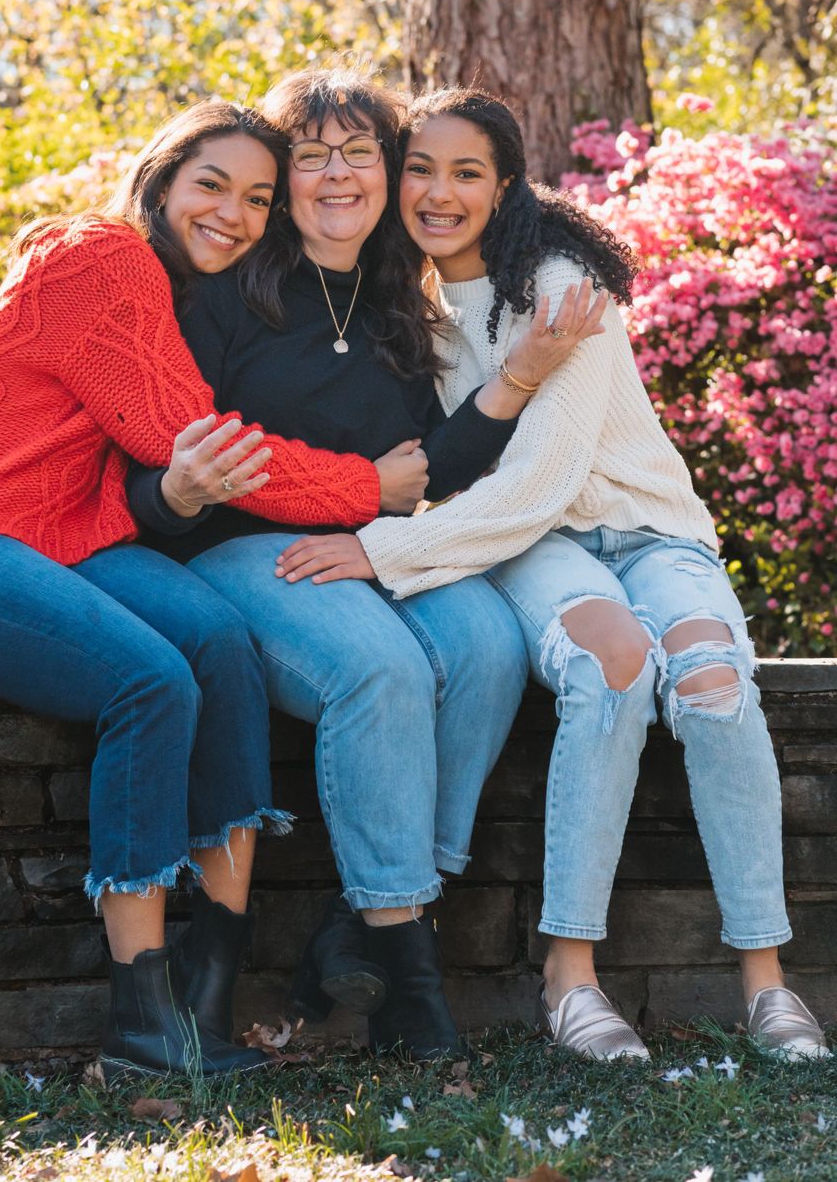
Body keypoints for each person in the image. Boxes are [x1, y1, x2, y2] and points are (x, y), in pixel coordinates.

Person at [277, 86, 831, 1063]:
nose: (438, 192)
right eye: (420, 168)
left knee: (707, 678)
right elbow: (465, 478)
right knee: (612, 659)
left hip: (645, 531)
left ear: (504, 188)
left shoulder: (559, 279)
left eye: (466, 174)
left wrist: (380, 551)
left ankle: (768, 985)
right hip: (530, 548)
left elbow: (540, 478)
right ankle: (569, 978)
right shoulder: (400, 304)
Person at [0, 99, 432, 1080]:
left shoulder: (167, 291)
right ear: (161, 181)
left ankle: (209, 988)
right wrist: (368, 489)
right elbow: (202, 447)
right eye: (210, 184)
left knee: (218, 643)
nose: (234, 212)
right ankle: (143, 1018)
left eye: (259, 198)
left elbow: (174, 472)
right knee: (151, 680)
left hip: (72, 546)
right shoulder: (103, 258)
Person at [128, 67, 604, 1058]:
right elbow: (182, 468)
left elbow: (433, 467)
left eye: (360, 152)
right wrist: (357, 494)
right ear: (284, 175)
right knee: (379, 670)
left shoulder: (398, 302)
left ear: (387, 176)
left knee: (481, 642)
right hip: (233, 553)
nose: (337, 173)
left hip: (365, 547)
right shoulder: (224, 296)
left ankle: (370, 927)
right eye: (311, 154)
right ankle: (408, 981)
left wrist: (517, 379)